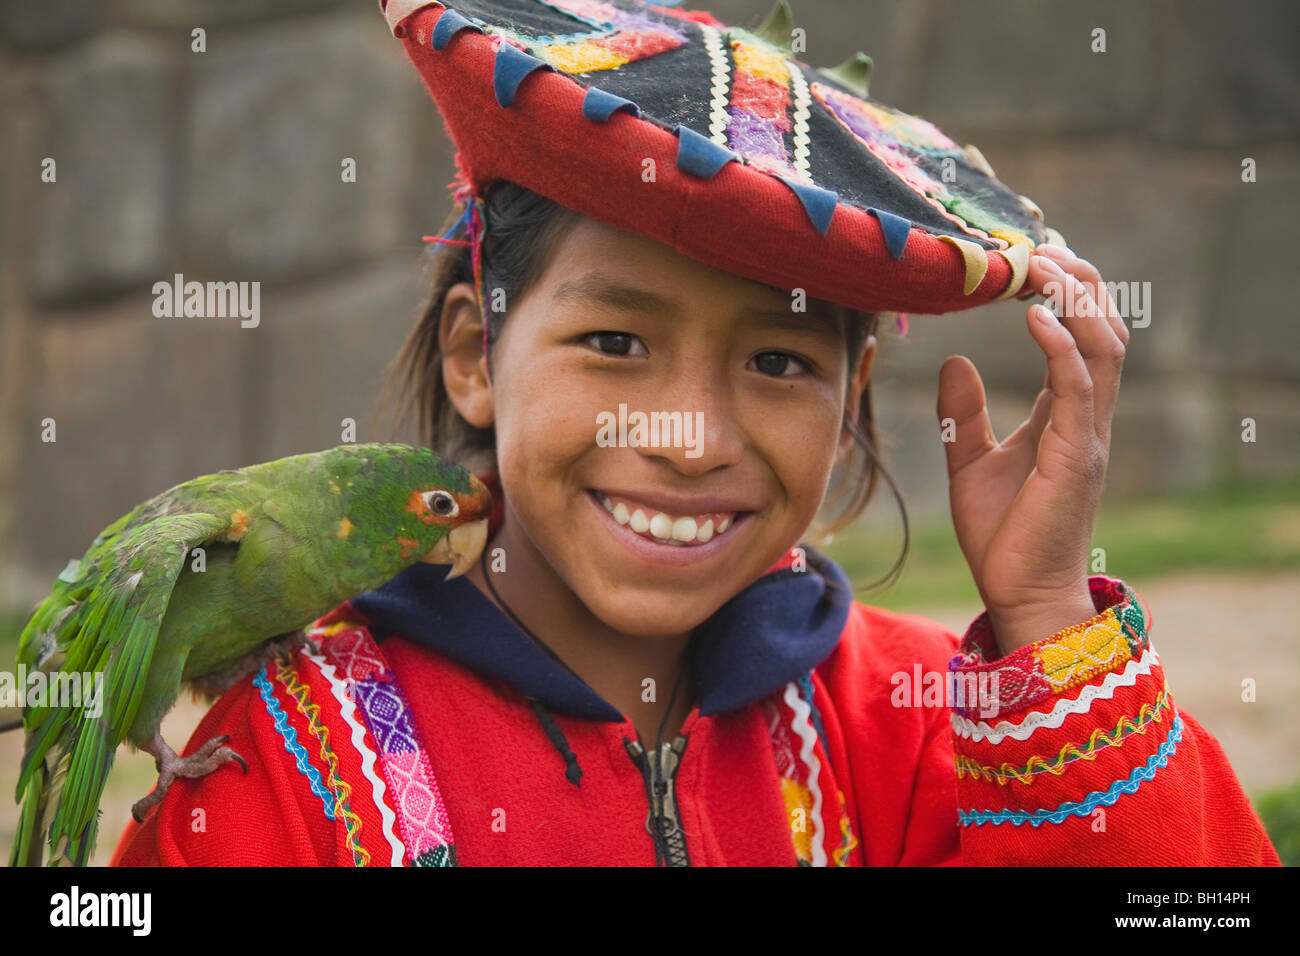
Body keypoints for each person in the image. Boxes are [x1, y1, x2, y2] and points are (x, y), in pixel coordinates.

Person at [112, 0, 1278, 866]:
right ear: (477, 354)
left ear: (852, 400)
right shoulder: (285, 774)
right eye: (615, 342)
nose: (688, 435)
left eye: (778, 361)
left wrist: (1045, 621)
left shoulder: (945, 729)